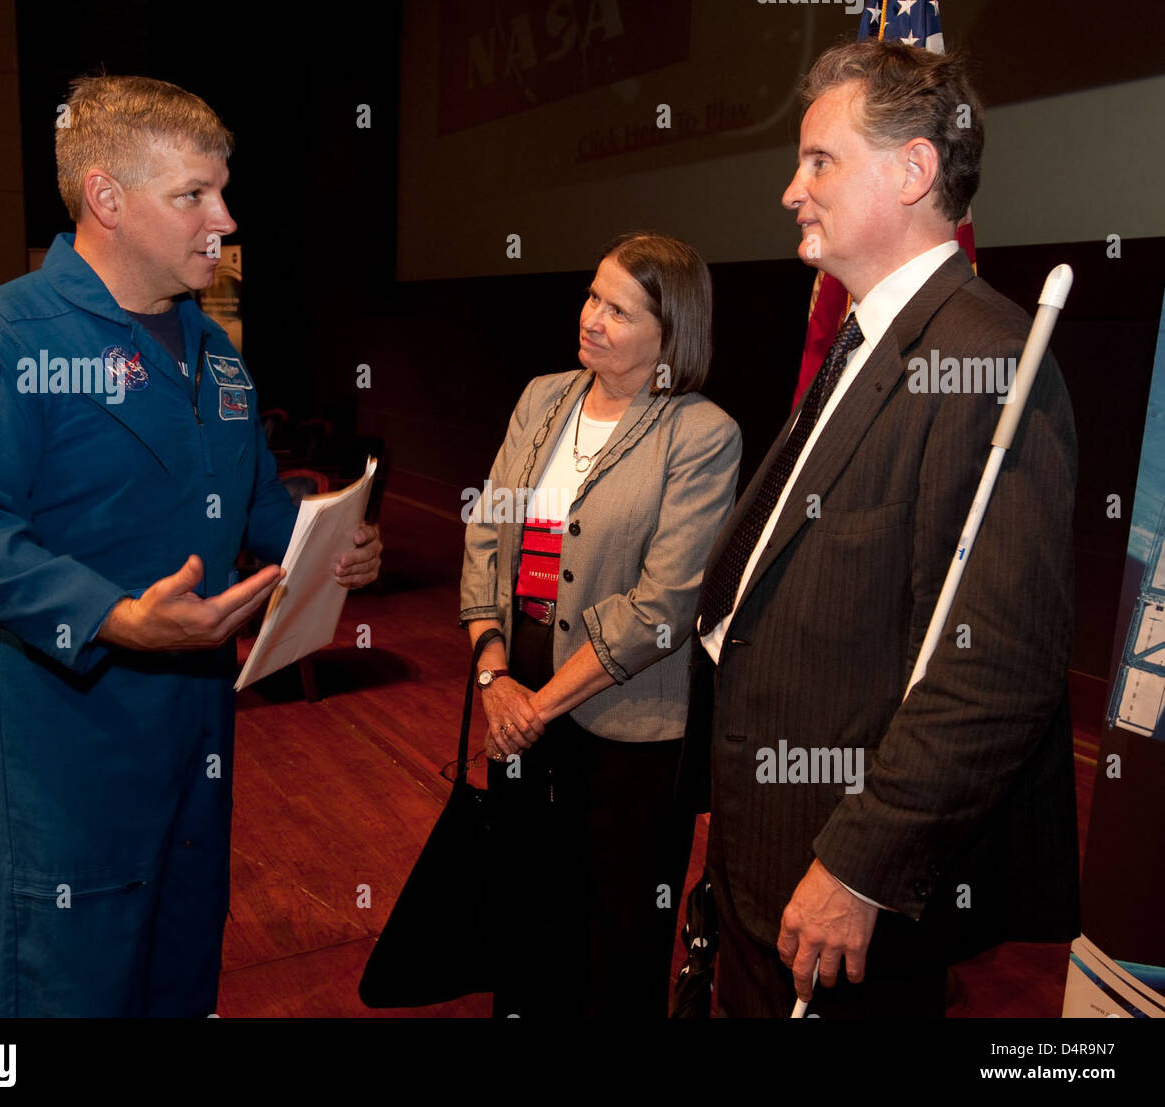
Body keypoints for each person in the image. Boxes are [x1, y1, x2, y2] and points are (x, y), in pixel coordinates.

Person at [0, 75, 382, 1017]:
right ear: (107, 199)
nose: (226, 217)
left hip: (200, 735)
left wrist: (320, 536)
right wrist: (115, 617)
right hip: (74, 744)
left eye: (222, 191)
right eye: (194, 196)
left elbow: (247, 501)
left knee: (180, 968)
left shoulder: (215, 353)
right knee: (69, 980)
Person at [692, 40, 1079, 1018]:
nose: (791, 190)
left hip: (843, 881)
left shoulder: (988, 363)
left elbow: (996, 670)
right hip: (765, 839)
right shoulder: (863, 343)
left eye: (817, 161)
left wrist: (861, 865)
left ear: (913, 171)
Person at [459, 232, 742, 1017]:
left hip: (626, 735)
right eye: (592, 296)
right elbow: (489, 538)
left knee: (614, 943)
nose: (591, 318)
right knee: (523, 918)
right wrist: (493, 676)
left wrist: (535, 707)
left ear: (669, 333)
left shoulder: (701, 433)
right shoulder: (541, 397)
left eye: (618, 310)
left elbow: (663, 606)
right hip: (511, 697)